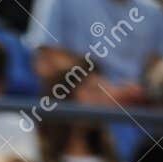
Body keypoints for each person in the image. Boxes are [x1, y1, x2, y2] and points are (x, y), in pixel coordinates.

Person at [26, 0, 163, 106]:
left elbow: (155, 65)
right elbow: (46, 59)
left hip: (138, 113)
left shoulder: (154, 12)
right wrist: (101, 90)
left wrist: (145, 89)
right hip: (75, 115)